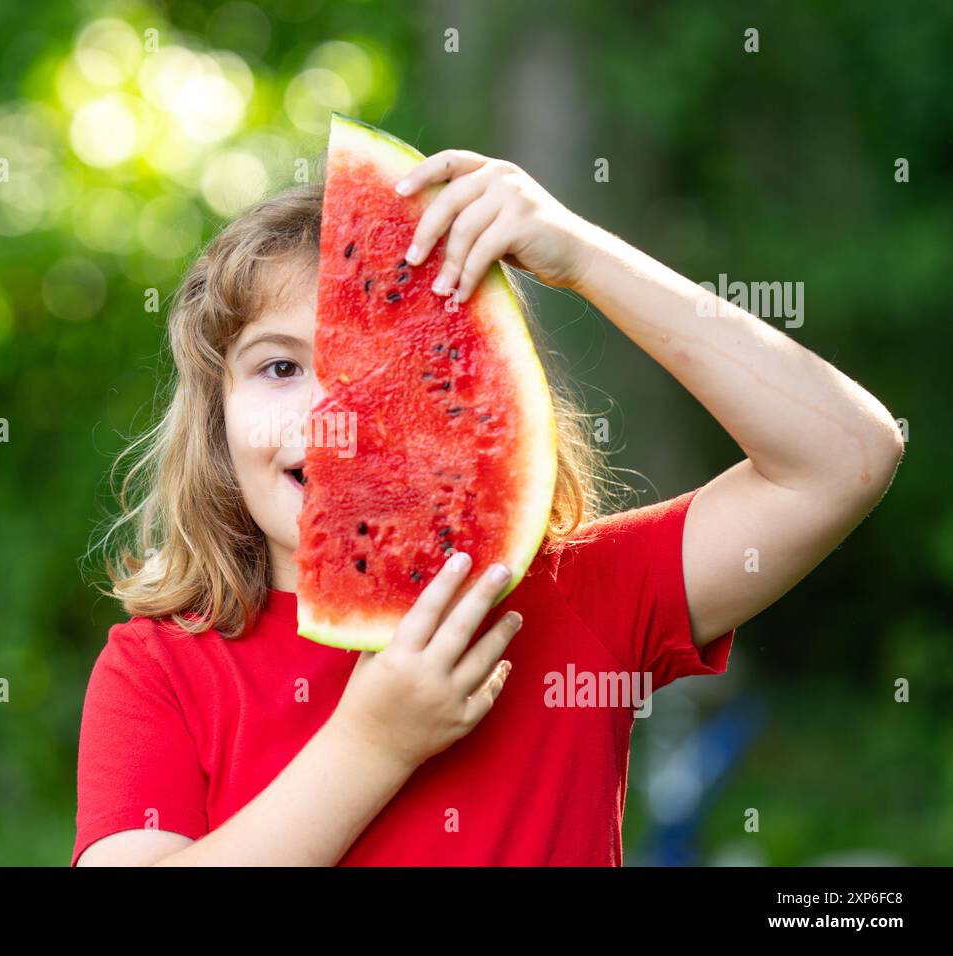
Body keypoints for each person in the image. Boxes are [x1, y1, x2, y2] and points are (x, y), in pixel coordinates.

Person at [72, 147, 904, 866]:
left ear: (461, 397)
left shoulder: (576, 600)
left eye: (389, 367)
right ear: (217, 422)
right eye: (280, 368)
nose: (332, 414)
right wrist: (373, 745)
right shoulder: (161, 668)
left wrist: (582, 256)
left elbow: (845, 458)